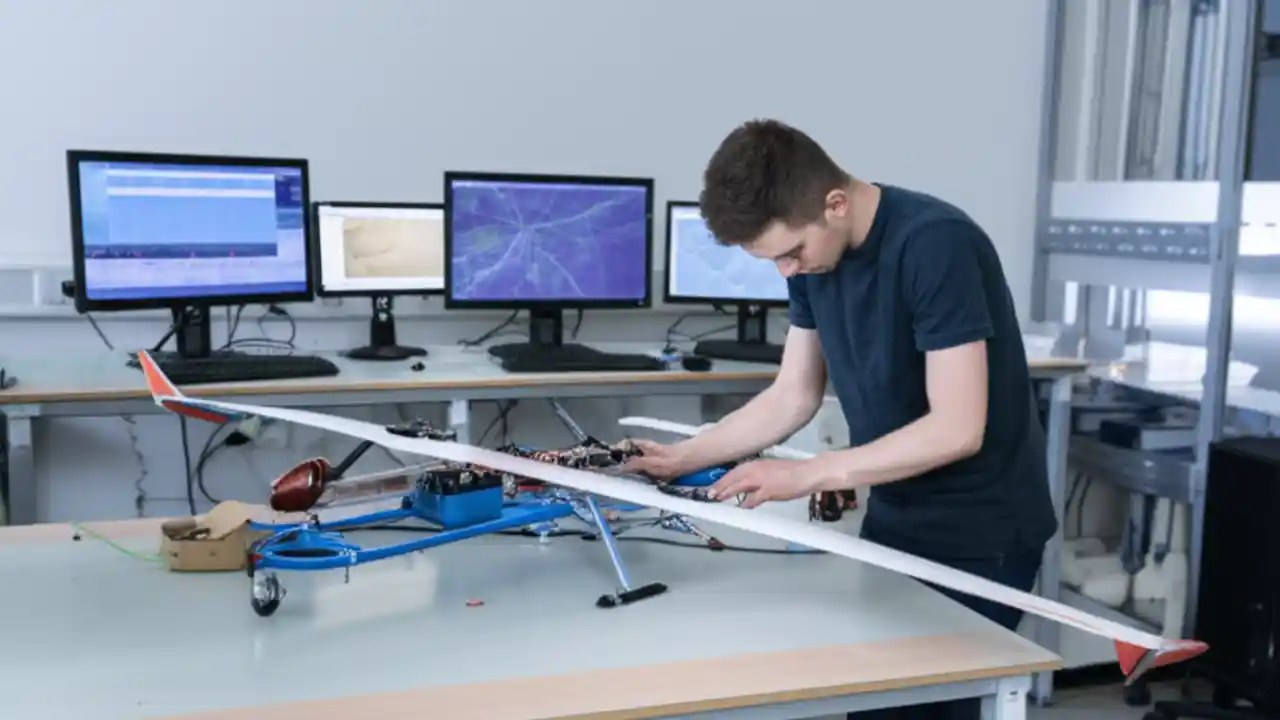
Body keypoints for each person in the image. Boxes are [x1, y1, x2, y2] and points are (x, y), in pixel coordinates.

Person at [621, 119, 1057, 720]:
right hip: (899, 518)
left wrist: (808, 475)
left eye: (790, 252)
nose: (786, 272)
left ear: (835, 203)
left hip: (983, 530)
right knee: (877, 704)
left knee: (929, 708)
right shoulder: (813, 264)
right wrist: (685, 456)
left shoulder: (936, 244)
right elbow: (792, 396)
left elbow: (958, 428)